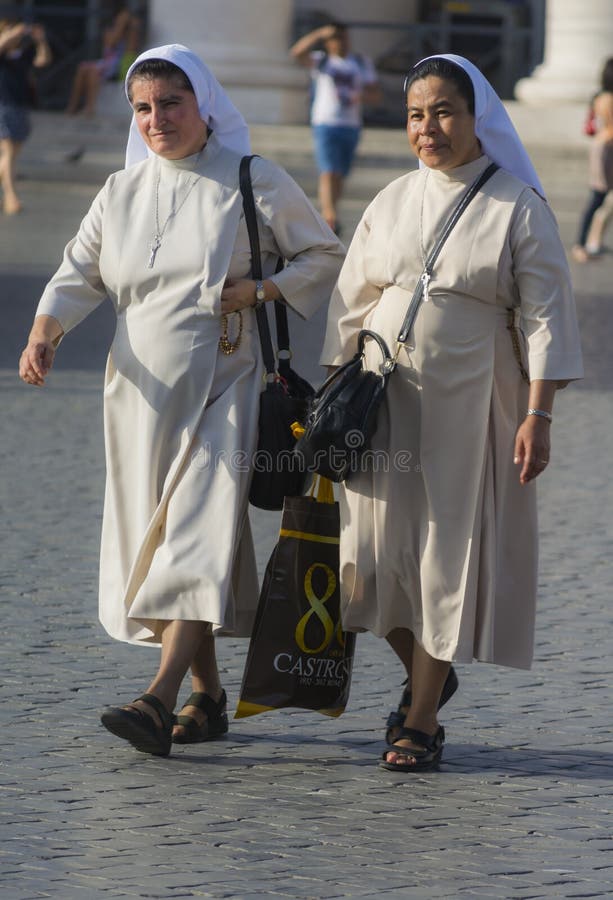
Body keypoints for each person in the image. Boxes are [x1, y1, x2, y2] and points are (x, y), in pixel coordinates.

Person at [19, 43, 344, 757]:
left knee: (194, 531)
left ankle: (156, 698)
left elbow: (323, 254)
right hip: (140, 394)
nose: (157, 119)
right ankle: (208, 694)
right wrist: (45, 331)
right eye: (143, 107)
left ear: (203, 106)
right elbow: (79, 272)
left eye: (171, 103)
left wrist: (259, 290)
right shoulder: (120, 192)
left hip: (228, 383)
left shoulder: (251, 179)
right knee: (174, 539)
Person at [320, 54, 583, 773]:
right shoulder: (392, 199)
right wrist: (331, 391)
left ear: (475, 120)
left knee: (443, 557)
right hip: (380, 402)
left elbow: (545, 320)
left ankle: (422, 717)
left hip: (471, 405)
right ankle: (428, 672)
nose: (426, 127)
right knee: (367, 566)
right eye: (413, 114)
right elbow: (350, 296)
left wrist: (539, 416)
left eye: (441, 112)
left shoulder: (516, 206)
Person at [289, 21, 381, 234]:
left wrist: (362, 96)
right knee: (328, 171)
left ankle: (332, 212)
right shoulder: (321, 62)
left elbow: (375, 94)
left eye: (343, 37)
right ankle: (329, 217)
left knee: (339, 174)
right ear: (328, 42)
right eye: (335, 38)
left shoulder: (360, 63)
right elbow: (296, 53)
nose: (340, 42)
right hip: (325, 123)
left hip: (351, 124)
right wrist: (319, 32)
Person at [0, 15, 51, 214]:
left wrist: (40, 39)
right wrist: (16, 31)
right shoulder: (3, 54)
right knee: (9, 151)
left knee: (13, 151)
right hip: (3, 105)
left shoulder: (22, 54)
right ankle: (11, 198)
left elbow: (43, 59)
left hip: (20, 105)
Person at [65, 2, 141, 117]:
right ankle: (72, 106)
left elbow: (113, 43)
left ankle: (90, 108)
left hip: (119, 64)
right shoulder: (112, 28)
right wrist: (119, 26)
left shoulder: (130, 30)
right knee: (83, 68)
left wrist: (122, 24)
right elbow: (109, 44)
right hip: (108, 62)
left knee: (93, 71)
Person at [572, 57, 613, 263]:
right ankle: (581, 243)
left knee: (598, 198)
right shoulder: (609, 99)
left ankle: (589, 242)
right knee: (597, 197)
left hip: (601, 147)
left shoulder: (599, 96)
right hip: (607, 148)